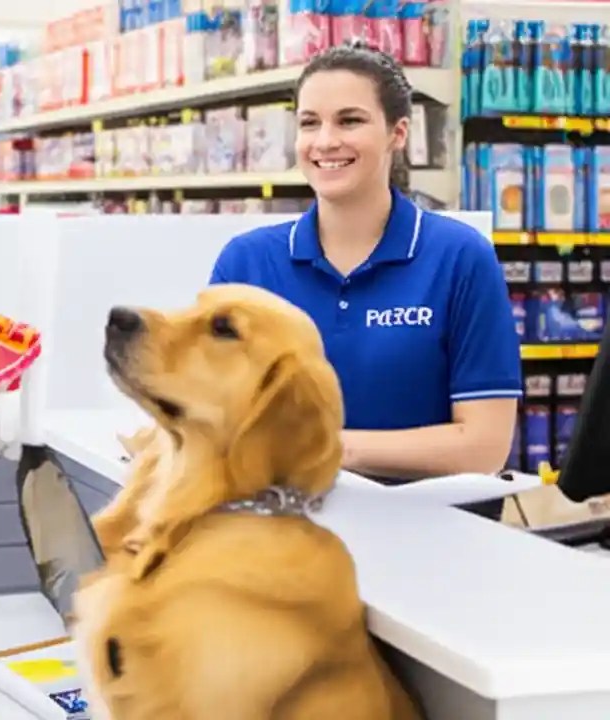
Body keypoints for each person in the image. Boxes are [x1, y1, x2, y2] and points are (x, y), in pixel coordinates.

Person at [209, 42, 522, 485]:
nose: (325, 141)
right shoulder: (246, 263)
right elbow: (211, 419)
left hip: (429, 536)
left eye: (350, 120)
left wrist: (330, 447)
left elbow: (485, 445)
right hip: (278, 533)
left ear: (398, 133)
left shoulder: (460, 257)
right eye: (309, 123)